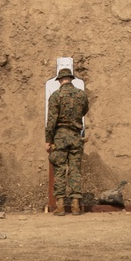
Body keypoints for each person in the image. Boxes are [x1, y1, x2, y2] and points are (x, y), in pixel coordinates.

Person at [45, 68, 90, 216]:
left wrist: (48, 140)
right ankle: (76, 205)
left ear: (60, 80)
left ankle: (61, 206)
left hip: (60, 136)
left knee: (60, 170)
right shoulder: (81, 95)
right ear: (71, 79)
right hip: (76, 136)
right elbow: (84, 111)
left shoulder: (56, 96)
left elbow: (51, 121)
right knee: (75, 170)